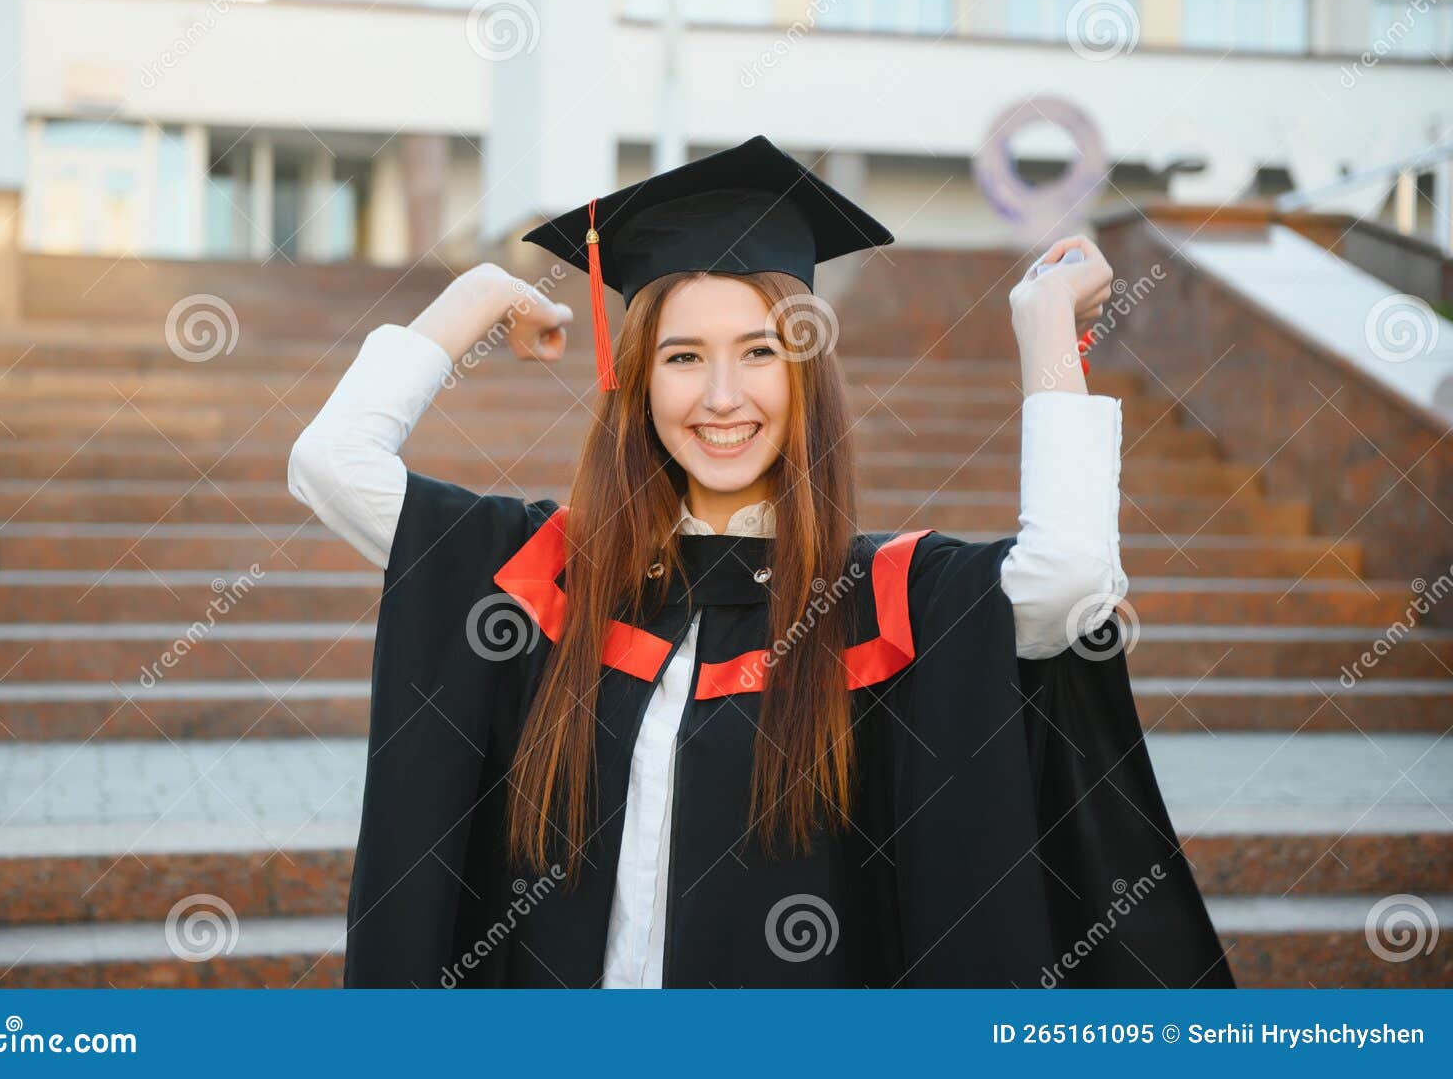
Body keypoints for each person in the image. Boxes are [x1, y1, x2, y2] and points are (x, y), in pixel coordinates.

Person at [288, 135, 1234, 989]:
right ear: (637, 382)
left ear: (805, 370)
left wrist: (1045, 334)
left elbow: (1068, 583)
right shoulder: (555, 570)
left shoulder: (882, 597)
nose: (724, 396)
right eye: (684, 357)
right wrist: (473, 301)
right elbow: (332, 466)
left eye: (759, 351)